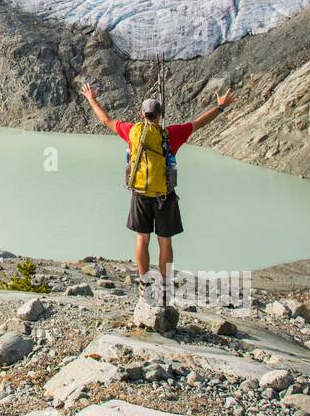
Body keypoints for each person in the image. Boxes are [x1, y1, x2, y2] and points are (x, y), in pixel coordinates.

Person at [79, 81, 235, 303]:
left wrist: (91, 98)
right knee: (165, 242)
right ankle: (164, 286)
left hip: (140, 194)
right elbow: (199, 123)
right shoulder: (171, 134)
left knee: (142, 239)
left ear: (142, 114)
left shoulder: (132, 131)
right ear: (160, 115)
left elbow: (105, 120)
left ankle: (144, 284)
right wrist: (220, 107)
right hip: (164, 196)